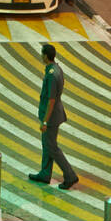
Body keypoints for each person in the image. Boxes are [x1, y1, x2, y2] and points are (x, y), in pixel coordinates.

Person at [28, 43, 78, 190]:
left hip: (51, 117)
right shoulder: (57, 69)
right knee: (47, 145)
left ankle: (70, 175)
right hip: (55, 114)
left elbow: (51, 100)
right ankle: (45, 173)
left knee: (52, 148)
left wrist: (45, 121)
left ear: (45, 56)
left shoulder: (51, 75)